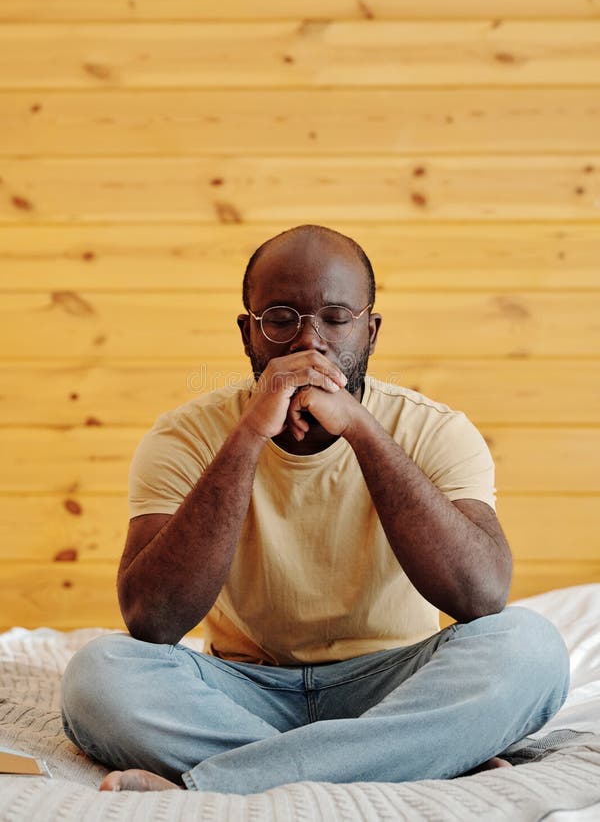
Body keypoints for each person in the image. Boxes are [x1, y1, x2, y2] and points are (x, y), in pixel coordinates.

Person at [61, 224, 569, 795]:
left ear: (371, 331)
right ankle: (415, 758)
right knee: (97, 675)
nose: (311, 342)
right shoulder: (184, 436)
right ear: (248, 334)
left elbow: (480, 596)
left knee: (529, 648)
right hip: (243, 688)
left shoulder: (436, 430)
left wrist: (363, 431)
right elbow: (151, 620)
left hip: (395, 685)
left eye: (335, 317)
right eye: (280, 318)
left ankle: (217, 783)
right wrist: (250, 435)